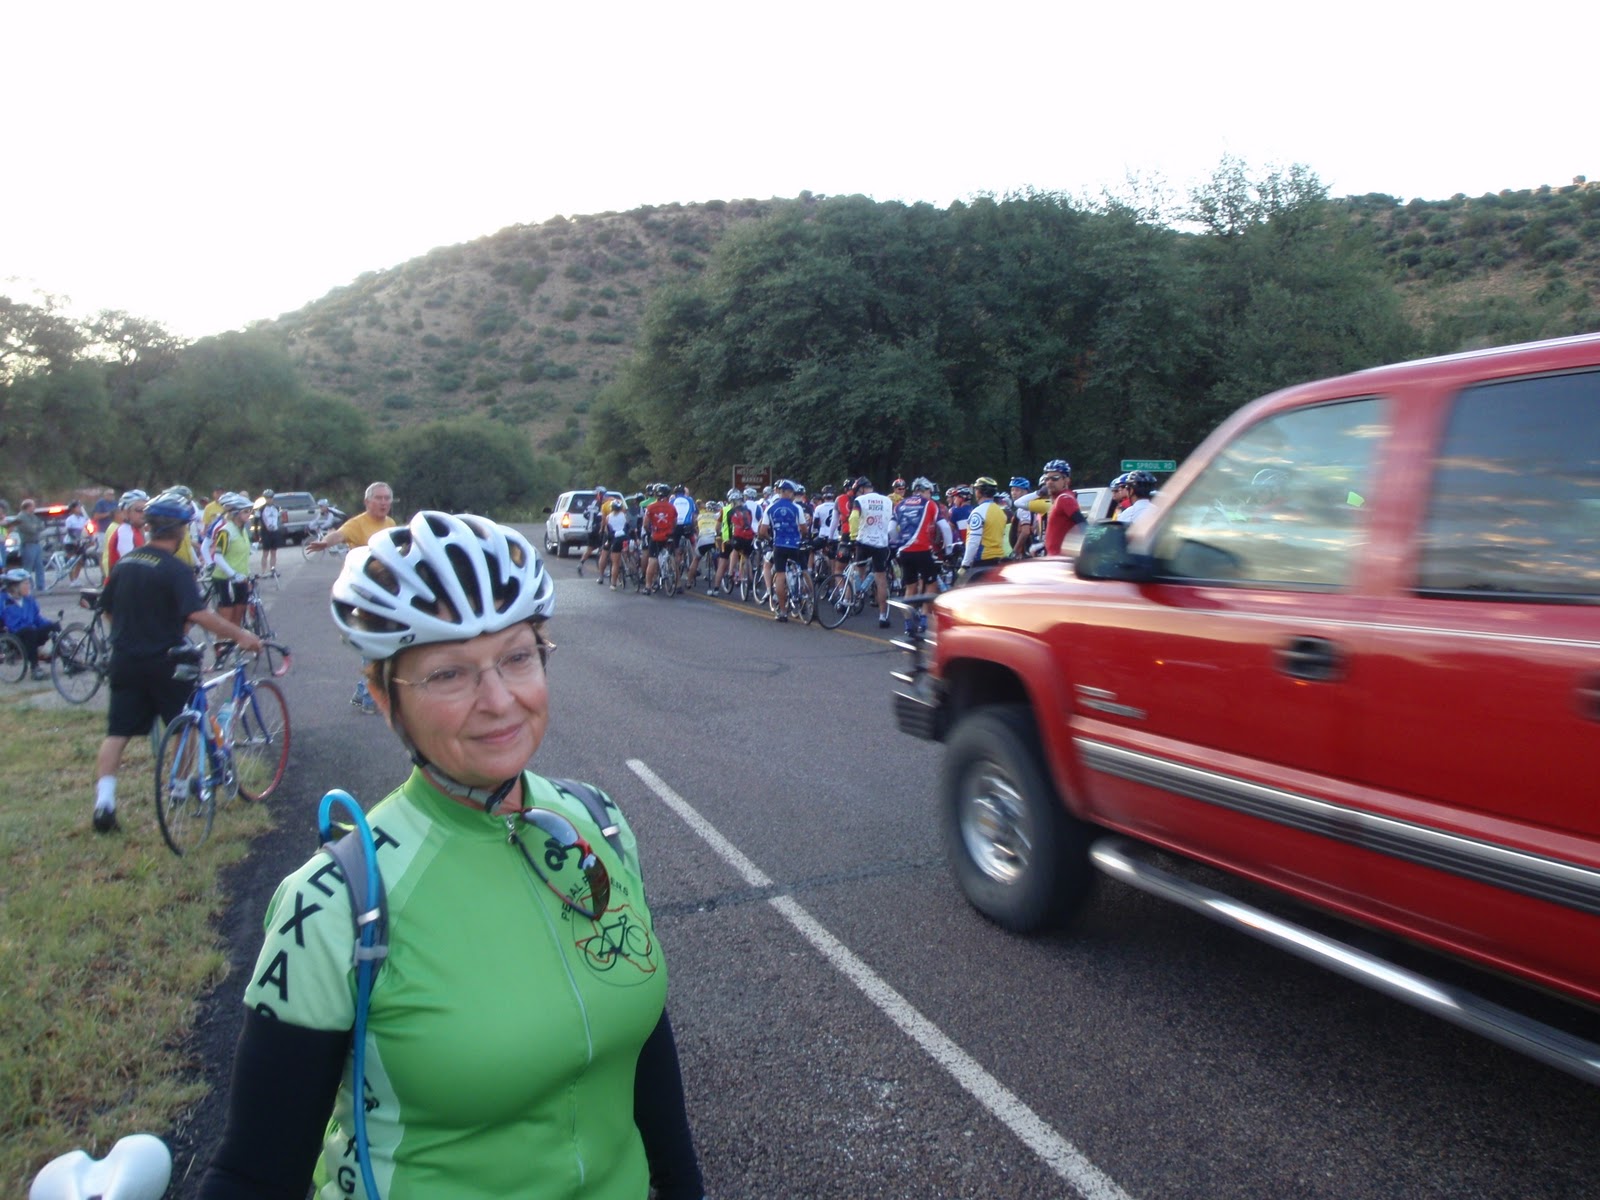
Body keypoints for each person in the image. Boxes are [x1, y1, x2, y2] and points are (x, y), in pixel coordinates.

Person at [198, 511, 704, 1200]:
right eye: (447, 675)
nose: (499, 702)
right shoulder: (334, 903)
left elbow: (644, 1046)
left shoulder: (599, 823)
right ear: (384, 699)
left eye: (518, 656)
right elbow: (255, 1172)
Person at [91, 490, 262, 833]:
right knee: (186, 726)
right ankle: (180, 793)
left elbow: (107, 608)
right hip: (167, 660)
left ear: (151, 526)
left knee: (118, 732)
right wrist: (240, 634)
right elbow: (198, 613)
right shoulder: (176, 569)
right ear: (182, 530)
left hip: (125, 658)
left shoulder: (126, 563)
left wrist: (129, 631)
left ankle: (104, 803)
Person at [307, 481, 397, 713]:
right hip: (364, 595)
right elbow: (340, 534)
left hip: (386, 595)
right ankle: (368, 700)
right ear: (367, 502)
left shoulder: (390, 524)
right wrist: (325, 542)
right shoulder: (358, 524)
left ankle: (362, 691)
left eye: (387, 498)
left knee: (385, 646)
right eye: (379, 498)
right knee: (371, 646)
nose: (384, 503)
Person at [208, 493, 255, 658]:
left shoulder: (243, 530)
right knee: (226, 618)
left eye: (249, 511)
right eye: (245, 512)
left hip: (241, 577)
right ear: (235, 513)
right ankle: (220, 654)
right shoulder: (225, 531)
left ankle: (234, 650)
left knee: (238, 614)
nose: (249, 515)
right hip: (225, 579)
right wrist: (232, 574)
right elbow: (218, 556)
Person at [848, 476, 896, 628]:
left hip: (864, 541)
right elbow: (892, 521)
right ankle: (883, 616)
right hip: (882, 543)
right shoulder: (888, 501)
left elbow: (853, 518)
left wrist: (853, 536)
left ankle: (849, 600)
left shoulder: (860, 501)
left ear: (861, 489)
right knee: (881, 579)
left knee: (858, 570)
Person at [759, 479, 809, 621]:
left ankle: (782, 611)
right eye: (792, 492)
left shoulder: (770, 508)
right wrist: (804, 536)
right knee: (805, 571)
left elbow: (762, 531)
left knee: (780, 575)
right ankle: (811, 600)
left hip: (779, 545)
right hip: (795, 544)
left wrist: (770, 539)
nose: (794, 495)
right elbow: (804, 529)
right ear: (786, 492)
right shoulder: (796, 508)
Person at [2, 568, 60, 679]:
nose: (28, 586)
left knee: (54, 626)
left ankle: (68, 659)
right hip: (14, 637)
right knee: (29, 631)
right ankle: (35, 668)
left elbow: (38, 619)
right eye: (25, 583)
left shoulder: (29, 600)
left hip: (32, 633)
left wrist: (51, 625)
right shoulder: (3, 601)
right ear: (15, 586)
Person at [4, 498, 47, 590]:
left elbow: (41, 525)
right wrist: (35, 527)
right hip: (28, 544)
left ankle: (41, 586)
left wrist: (36, 527)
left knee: (40, 566)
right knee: (28, 568)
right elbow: (30, 529)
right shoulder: (21, 517)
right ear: (28, 506)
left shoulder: (33, 516)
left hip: (37, 543)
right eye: (33, 506)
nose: (34, 508)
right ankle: (27, 586)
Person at [575, 485, 609, 577]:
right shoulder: (603, 505)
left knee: (589, 549)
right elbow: (603, 518)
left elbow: (585, 514)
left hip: (590, 529)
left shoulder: (591, 504)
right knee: (604, 549)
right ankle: (602, 571)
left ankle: (581, 564)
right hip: (598, 529)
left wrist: (591, 520)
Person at [257, 489, 282, 574]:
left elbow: (279, 520)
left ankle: (272, 569)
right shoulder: (261, 509)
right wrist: (256, 534)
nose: (269, 499)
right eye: (267, 498)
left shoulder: (277, 508)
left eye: (270, 498)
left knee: (274, 552)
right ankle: (263, 571)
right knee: (265, 553)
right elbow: (256, 522)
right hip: (265, 533)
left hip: (274, 532)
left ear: (273, 498)